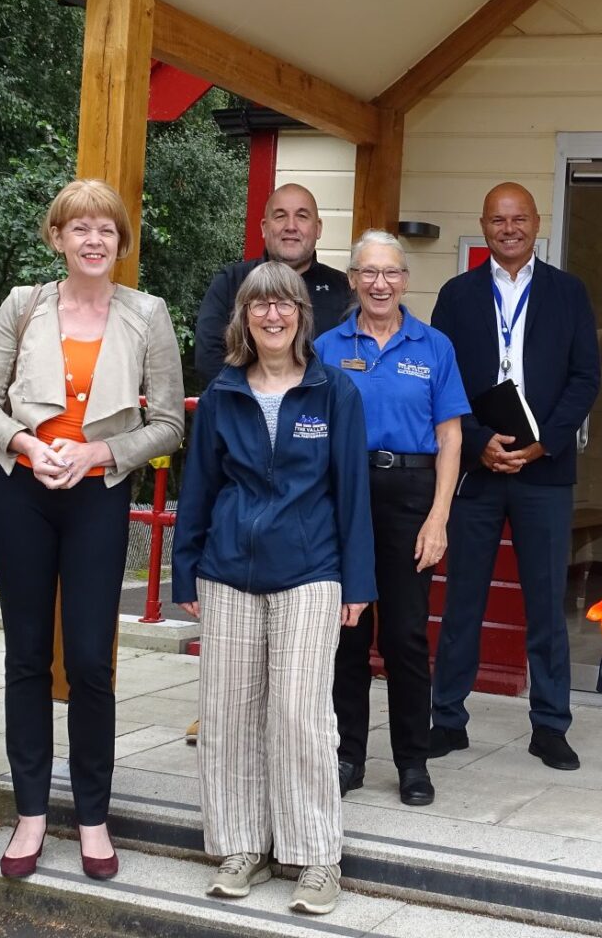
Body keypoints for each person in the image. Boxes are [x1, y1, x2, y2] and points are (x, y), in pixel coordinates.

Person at [0, 180, 185, 882]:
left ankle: (93, 816)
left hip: (98, 495)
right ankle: (32, 813)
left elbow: (171, 423)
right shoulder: (23, 306)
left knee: (91, 659)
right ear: (57, 238)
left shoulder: (148, 314)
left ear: (121, 243)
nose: (94, 241)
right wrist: (29, 447)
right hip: (22, 492)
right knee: (26, 655)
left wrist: (98, 452)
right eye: (79, 228)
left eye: (107, 231)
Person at [172, 262, 374, 917]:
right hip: (227, 570)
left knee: (301, 716)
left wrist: (358, 581)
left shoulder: (333, 393)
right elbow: (198, 489)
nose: (273, 315)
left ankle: (318, 857)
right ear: (244, 317)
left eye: (284, 304)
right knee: (227, 715)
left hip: (311, 570)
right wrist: (185, 570)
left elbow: (352, 494)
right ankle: (240, 847)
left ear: (301, 315)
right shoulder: (225, 393)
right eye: (260, 305)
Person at [429, 183, 600, 771]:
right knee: (462, 601)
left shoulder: (568, 293)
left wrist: (541, 443)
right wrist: (479, 443)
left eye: (519, 219)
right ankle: (447, 718)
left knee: (547, 603)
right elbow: (440, 379)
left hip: (544, 471)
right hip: (477, 471)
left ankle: (550, 724)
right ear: (483, 225)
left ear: (535, 223)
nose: (509, 229)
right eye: (498, 220)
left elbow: (585, 378)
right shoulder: (456, 296)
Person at [314, 231, 469, 808]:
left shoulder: (434, 347)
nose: (380, 283)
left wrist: (439, 518)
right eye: (368, 273)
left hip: (412, 493)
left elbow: (450, 438)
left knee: (404, 635)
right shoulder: (327, 346)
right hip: (343, 493)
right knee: (346, 633)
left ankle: (412, 760)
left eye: (392, 273)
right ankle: (347, 754)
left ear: (406, 280)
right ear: (353, 280)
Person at [192, 183, 349, 384]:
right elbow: (208, 357)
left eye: (302, 216)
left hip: (324, 411)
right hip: (244, 408)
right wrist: (252, 400)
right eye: (280, 216)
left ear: (318, 228)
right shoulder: (231, 281)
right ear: (264, 228)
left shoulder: (343, 289)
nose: (291, 226)